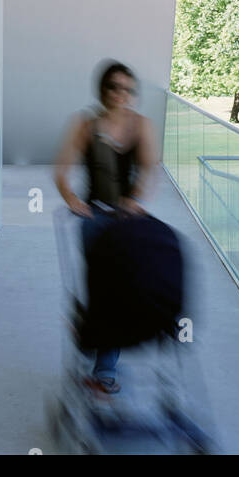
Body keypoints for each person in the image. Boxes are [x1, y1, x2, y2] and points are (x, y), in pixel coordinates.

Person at [52, 61, 159, 395]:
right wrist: (72, 200)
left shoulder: (142, 126)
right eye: (114, 87)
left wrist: (136, 200)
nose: (121, 94)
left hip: (126, 217)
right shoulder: (85, 124)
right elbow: (61, 171)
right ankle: (103, 361)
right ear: (102, 90)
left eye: (128, 89)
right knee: (104, 286)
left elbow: (148, 170)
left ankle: (95, 344)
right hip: (95, 215)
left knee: (122, 288)